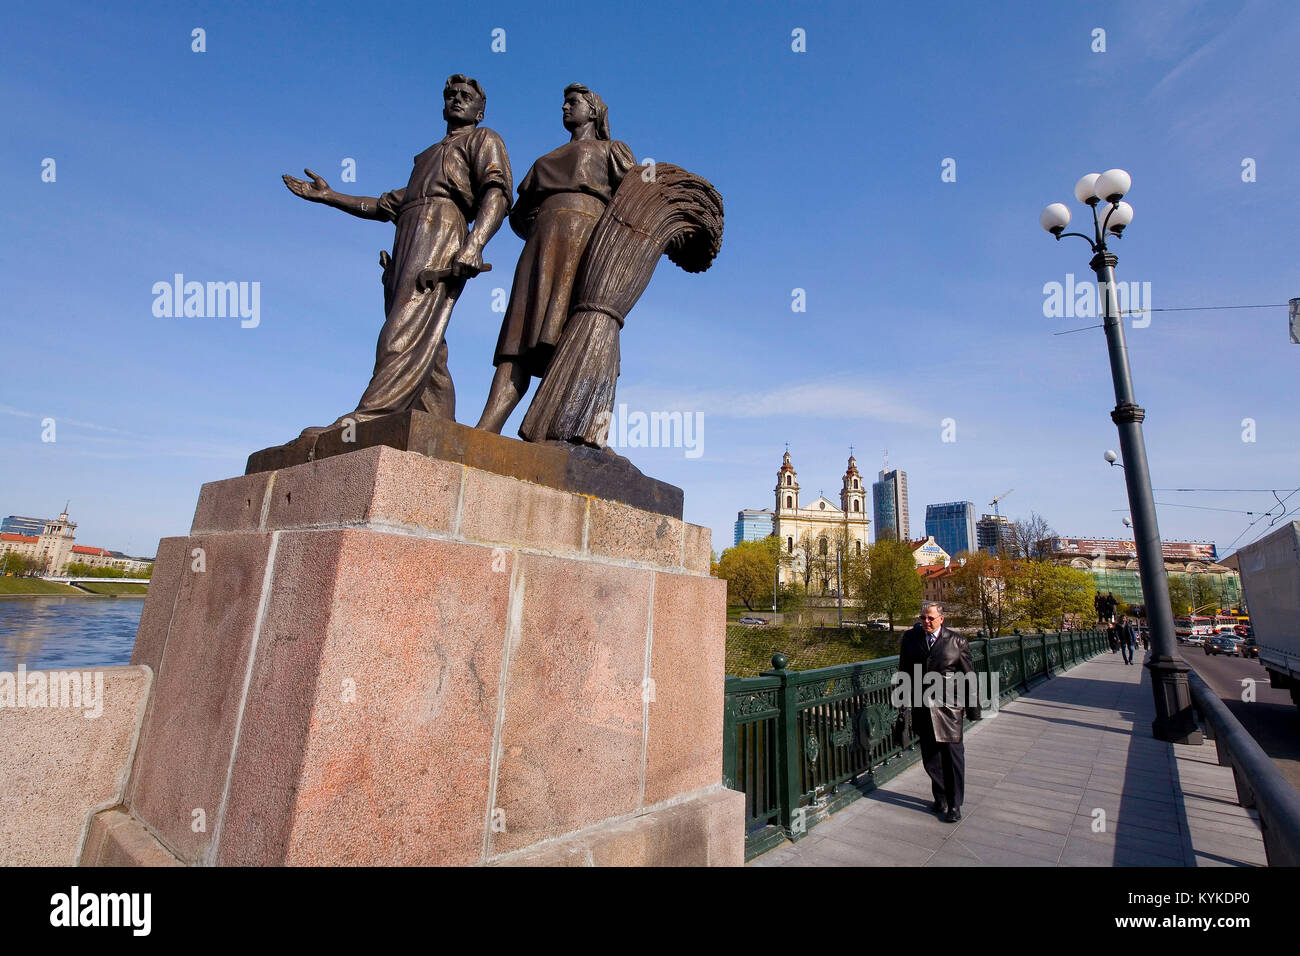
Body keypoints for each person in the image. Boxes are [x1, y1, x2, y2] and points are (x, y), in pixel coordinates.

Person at [284, 75, 512, 433]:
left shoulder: (484, 139)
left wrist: (474, 244)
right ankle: (439, 424)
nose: (457, 99)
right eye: (451, 94)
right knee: (429, 345)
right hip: (409, 232)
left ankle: (367, 418)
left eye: (466, 96)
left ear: (480, 112)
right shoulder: (428, 158)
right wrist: (330, 196)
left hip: (440, 232)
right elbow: (380, 205)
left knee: (401, 329)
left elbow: (496, 195)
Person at [476, 83, 636, 433]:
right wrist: (546, 223)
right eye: (563, 102)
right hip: (540, 249)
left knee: (570, 334)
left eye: (573, 102)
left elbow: (633, 202)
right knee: (518, 337)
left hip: (586, 247)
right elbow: (517, 215)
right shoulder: (545, 160)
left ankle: (555, 429)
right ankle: (488, 426)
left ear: (593, 110)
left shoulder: (612, 150)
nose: (565, 107)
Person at [898, 603, 980, 823]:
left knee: (953, 758)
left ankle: (954, 805)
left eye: (931, 618)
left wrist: (974, 709)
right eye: (923, 617)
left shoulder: (957, 642)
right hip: (922, 707)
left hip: (949, 708)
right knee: (930, 757)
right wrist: (902, 703)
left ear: (942, 619)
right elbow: (904, 670)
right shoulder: (911, 639)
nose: (926, 621)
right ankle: (940, 797)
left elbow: (969, 677)